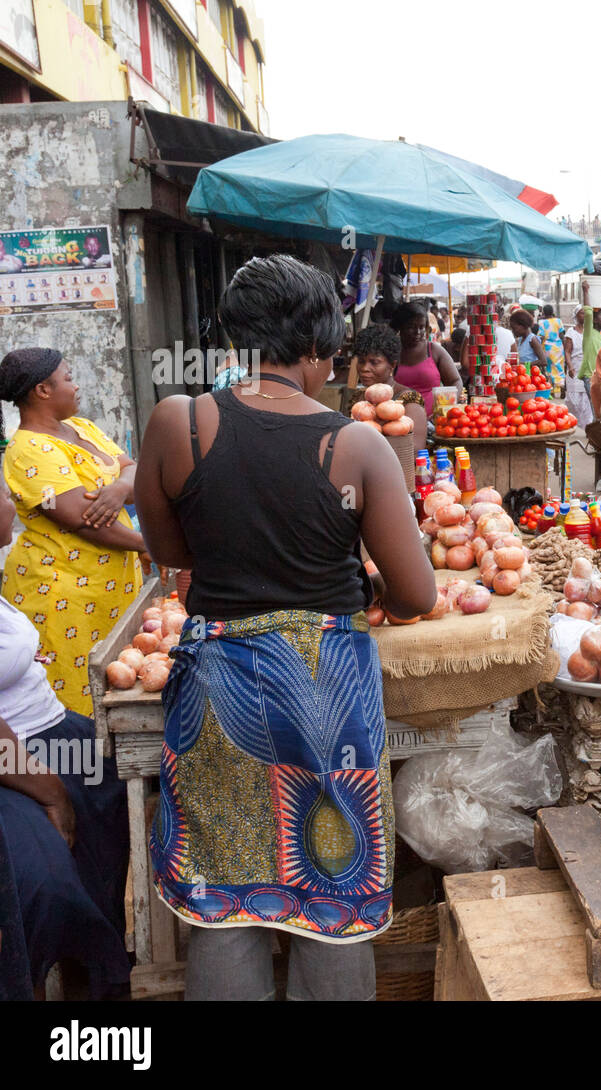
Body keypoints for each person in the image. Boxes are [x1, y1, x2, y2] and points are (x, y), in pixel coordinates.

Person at [134, 254, 437, 1000]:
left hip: (216, 692)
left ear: (241, 333)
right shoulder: (357, 445)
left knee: (223, 888)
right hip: (326, 693)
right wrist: (364, 587)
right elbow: (417, 592)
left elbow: (171, 552)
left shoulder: (181, 423)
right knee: (330, 882)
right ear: (320, 344)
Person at [0, 482, 130, 999]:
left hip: (49, 729)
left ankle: (100, 968)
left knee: (116, 789)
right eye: (1, 495)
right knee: (44, 883)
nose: (12, 505)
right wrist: (51, 792)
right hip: (19, 755)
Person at [0, 349, 145, 715]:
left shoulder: (82, 428)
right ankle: (83, 769)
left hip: (108, 588)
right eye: (68, 378)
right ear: (42, 390)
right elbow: (83, 519)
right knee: (81, 699)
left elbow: (131, 466)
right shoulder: (27, 449)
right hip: (66, 594)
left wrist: (116, 489)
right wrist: (152, 545)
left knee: (116, 681)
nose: (76, 385)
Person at [344, 324, 428, 441]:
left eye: (374, 362)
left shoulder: (409, 401)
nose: (364, 368)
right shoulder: (357, 398)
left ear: (392, 365)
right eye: (361, 361)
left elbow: (414, 451)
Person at [390, 300, 460, 412]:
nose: (418, 332)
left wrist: (447, 408)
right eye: (411, 327)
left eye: (421, 327)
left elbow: (455, 381)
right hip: (399, 421)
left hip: (434, 421)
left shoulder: (434, 351)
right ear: (401, 327)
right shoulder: (392, 352)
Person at [536, 304, 568, 392]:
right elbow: (562, 336)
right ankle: (562, 387)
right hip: (558, 348)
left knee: (549, 368)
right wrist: (565, 348)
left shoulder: (542, 323)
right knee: (559, 367)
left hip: (547, 349)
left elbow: (541, 337)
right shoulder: (558, 321)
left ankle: (552, 389)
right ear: (552, 312)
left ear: (543, 313)